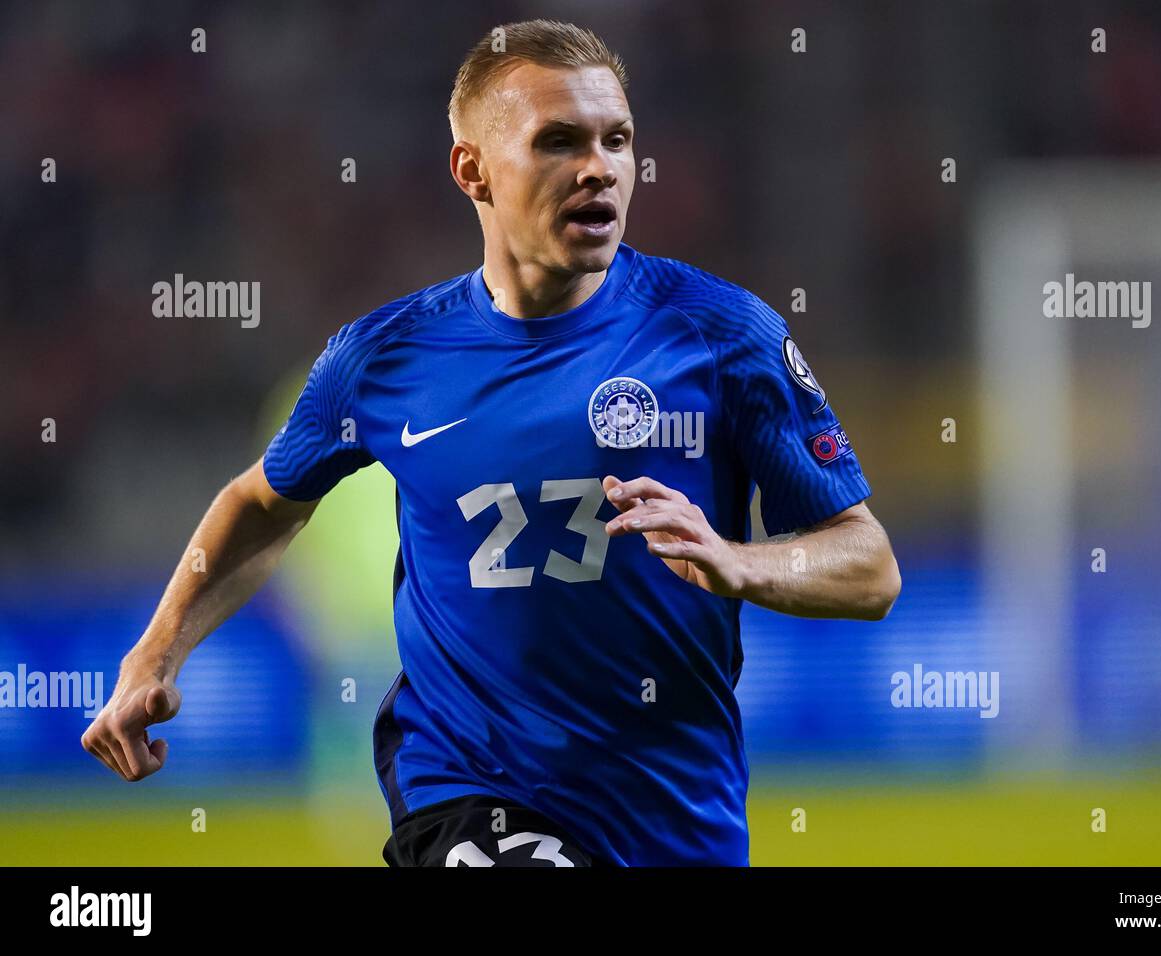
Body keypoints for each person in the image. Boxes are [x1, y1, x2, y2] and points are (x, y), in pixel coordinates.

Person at [82, 18, 901, 867]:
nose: (599, 168)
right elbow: (262, 502)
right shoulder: (383, 359)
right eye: (558, 142)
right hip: (467, 790)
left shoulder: (724, 337)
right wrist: (156, 652)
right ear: (472, 170)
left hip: (677, 817)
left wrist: (742, 563)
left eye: (616, 140)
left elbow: (869, 565)